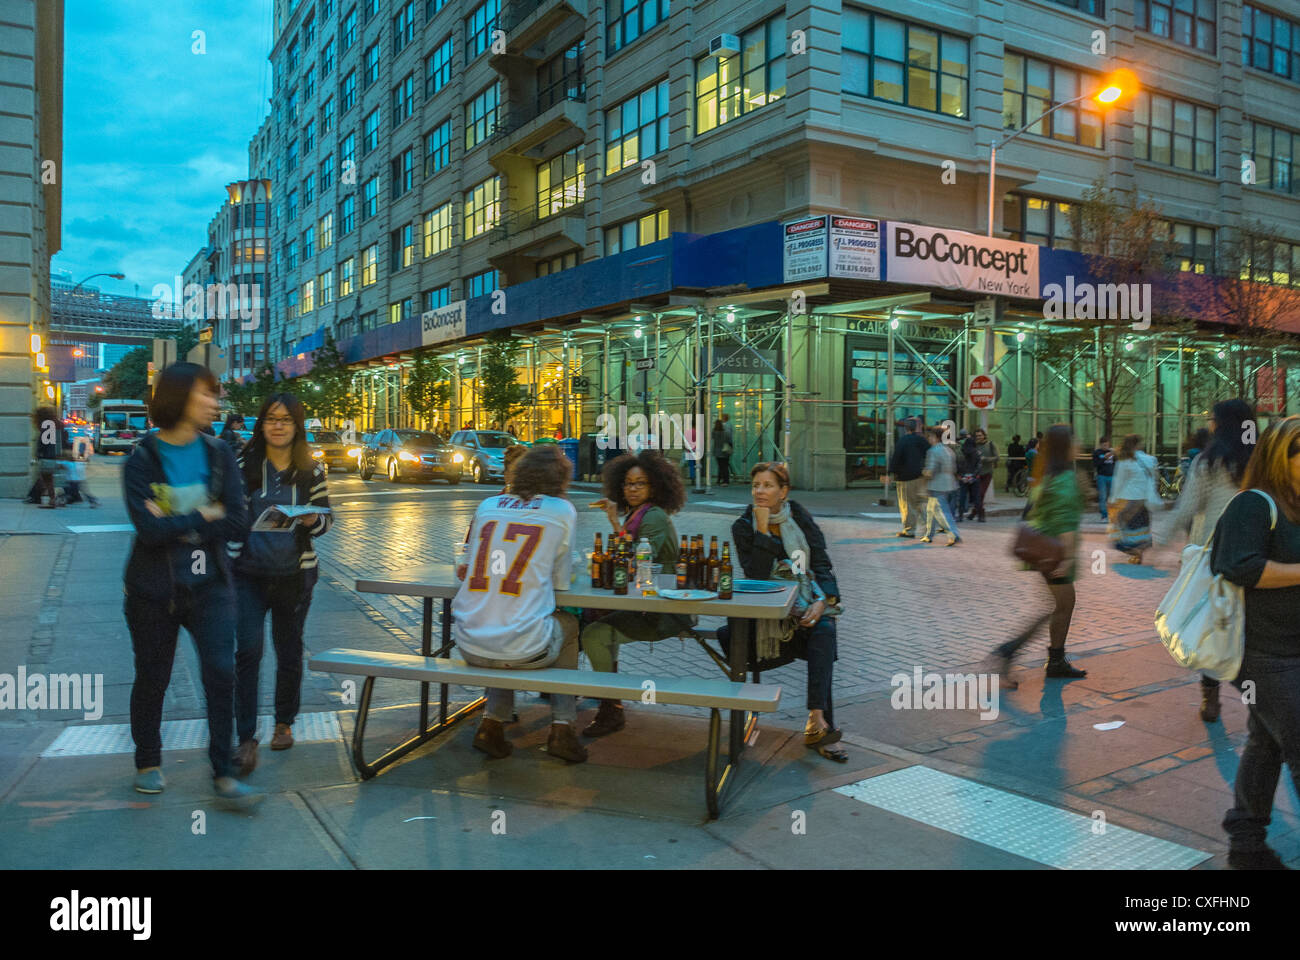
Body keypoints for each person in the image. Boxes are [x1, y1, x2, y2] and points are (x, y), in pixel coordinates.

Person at [121, 362, 260, 808]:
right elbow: (148, 531)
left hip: (212, 586)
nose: (214, 403)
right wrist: (204, 514)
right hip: (153, 591)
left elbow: (238, 521)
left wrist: (177, 521)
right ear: (179, 397)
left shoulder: (220, 453)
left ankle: (223, 771)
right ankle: (148, 761)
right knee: (153, 677)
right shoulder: (141, 459)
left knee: (221, 672)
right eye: (206, 394)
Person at [452, 445, 587, 763]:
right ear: (561, 478)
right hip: (523, 650)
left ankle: (492, 724)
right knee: (567, 625)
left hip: (469, 643)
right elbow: (561, 584)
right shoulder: (561, 510)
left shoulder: (487, 504)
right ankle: (562, 728)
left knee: (508, 624)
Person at [1210, 415, 1300, 870]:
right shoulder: (1252, 504)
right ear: (1280, 459)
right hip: (1265, 655)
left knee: (1266, 744)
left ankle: (1246, 843)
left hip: (1293, 649)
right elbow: (1238, 567)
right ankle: (1245, 841)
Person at [228, 393, 333, 775]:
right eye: (271, 418)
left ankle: (284, 722)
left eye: (286, 420)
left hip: (295, 573)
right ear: (261, 424)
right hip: (248, 574)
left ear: (297, 426)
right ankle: (245, 736)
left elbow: (326, 520)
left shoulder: (311, 470)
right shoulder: (244, 465)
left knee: (289, 651)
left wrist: (309, 520)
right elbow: (231, 514)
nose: (278, 425)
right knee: (248, 652)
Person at [717, 462, 847, 762]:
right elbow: (757, 575)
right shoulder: (743, 526)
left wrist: (824, 600)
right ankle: (821, 726)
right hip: (763, 623)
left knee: (824, 629)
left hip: (803, 607)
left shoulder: (798, 516)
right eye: (756, 486)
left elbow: (821, 565)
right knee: (821, 636)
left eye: (768, 485)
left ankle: (817, 720)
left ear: (783, 491)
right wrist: (762, 529)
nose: (760, 491)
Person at [1157, 399, 1256, 724]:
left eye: (1213, 419)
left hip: (1214, 555)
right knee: (1252, 625)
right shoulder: (1261, 460)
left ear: (1222, 424)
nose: (1210, 424)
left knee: (1213, 623)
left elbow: (1187, 509)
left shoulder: (1209, 461)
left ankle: (1211, 699)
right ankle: (1258, 699)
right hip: (1255, 554)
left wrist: (1158, 539)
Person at [580, 451, 691, 736]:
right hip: (643, 601)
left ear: (654, 486)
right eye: (628, 483)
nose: (632, 488)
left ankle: (610, 707)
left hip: (661, 610)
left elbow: (639, 559)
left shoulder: (653, 517)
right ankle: (605, 688)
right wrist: (615, 522)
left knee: (592, 634)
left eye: (640, 483)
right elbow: (629, 552)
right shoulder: (638, 514)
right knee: (593, 624)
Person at [989, 424, 1087, 687]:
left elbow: (1036, 511)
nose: (1079, 445)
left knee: (1059, 607)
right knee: (1060, 607)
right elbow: (1066, 523)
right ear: (1065, 446)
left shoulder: (1049, 476)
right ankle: (1009, 652)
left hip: (1046, 553)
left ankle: (1055, 660)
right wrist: (1066, 559)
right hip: (1056, 555)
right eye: (1074, 441)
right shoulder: (1065, 479)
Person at [1109, 434, 1159, 564]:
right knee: (1142, 527)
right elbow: (1154, 480)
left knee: (1124, 527)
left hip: (1128, 499)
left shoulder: (1124, 461)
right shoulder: (1151, 460)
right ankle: (1139, 552)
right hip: (1144, 501)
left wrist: (1112, 499)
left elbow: (1118, 482)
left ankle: (1134, 552)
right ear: (1139, 445)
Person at [887, 417, 929, 537]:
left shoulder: (902, 441)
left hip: (905, 477)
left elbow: (896, 458)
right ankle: (928, 527)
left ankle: (909, 530)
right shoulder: (922, 440)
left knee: (907, 504)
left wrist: (891, 472)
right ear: (915, 427)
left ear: (905, 428)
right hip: (921, 476)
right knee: (921, 502)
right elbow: (929, 454)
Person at [919, 427, 960, 545]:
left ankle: (953, 533)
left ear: (936, 437)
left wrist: (923, 473)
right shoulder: (949, 450)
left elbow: (930, 470)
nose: (929, 439)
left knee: (942, 511)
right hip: (949, 483)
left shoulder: (933, 451)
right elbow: (954, 468)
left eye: (930, 436)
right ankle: (928, 535)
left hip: (936, 484)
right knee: (931, 510)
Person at [32, 405, 62, 509]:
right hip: (52, 457)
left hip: (46, 458)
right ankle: (51, 500)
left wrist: (38, 453)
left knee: (47, 480)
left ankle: (51, 500)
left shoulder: (46, 426)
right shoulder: (52, 426)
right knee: (48, 480)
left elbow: (43, 444)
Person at [63, 434, 99, 507]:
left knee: (69, 491)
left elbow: (61, 464)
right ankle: (93, 501)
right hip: (80, 479)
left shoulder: (69, 463)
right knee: (84, 492)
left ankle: (63, 500)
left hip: (72, 480)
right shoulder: (78, 463)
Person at [972, 428, 998, 522]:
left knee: (981, 493)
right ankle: (975, 512)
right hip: (977, 473)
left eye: (980, 435)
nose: (978, 437)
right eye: (977, 436)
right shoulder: (974, 445)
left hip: (987, 473)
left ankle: (981, 514)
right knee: (977, 494)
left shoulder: (990, 444)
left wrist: (985, 459)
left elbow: (996, 457)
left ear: (984, 435)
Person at [955, 429, 983, 520]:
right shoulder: (977, 453)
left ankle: (960, 516)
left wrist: (961, 475)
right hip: (974, 478)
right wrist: (973, 476)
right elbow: (979, 466)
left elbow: (958, 465)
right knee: (977, 497)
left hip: (963, 477)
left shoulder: (961, 452)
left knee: (962, 497)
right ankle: (980, 516)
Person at [1092, 437, 1116, 521]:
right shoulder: (1097, 453)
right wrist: (1104, 458)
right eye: (1104, 445)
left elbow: (1117, 463)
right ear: (1100, 445)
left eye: (1107, 444)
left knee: (1112, 496)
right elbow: (1095, 464)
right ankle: (1104, 515)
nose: (1106, 446)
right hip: (1101, 476)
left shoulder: (1112, 452)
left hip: (1112, 476)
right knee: (1103, 496)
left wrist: (1115, 453)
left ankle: (1112, 515)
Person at [711, 418, 732, 485]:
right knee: (725, 466)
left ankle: (719, 479)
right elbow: (729, 440)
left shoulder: (713, 432)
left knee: (720, 466)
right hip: (725, 451)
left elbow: (712, 439)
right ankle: (726, 480)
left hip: (717, 451)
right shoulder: (725, 432)